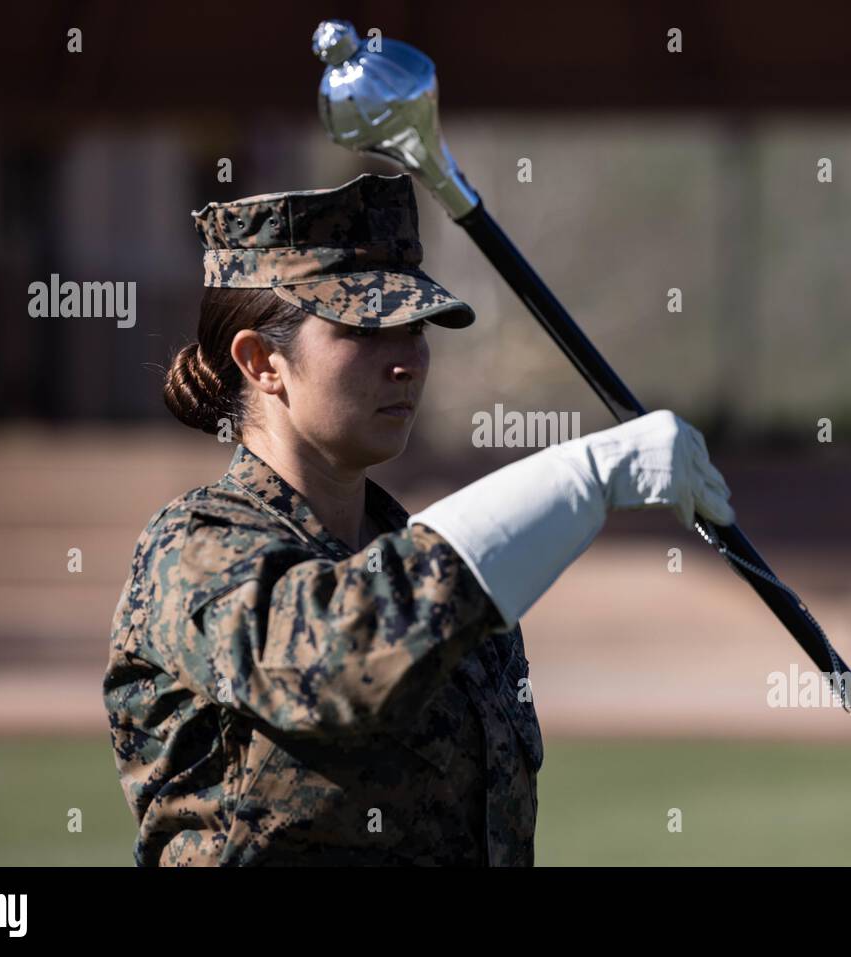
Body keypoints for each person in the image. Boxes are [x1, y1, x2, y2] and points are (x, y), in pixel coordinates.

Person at [103, 171, 735, 866]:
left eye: (415, 326)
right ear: (262, 361)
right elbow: (337, 662)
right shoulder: (193, 549)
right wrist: (576, 478)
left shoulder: (431, 560)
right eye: (365, 328)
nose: (406, 359)